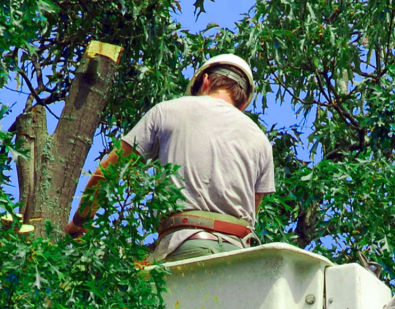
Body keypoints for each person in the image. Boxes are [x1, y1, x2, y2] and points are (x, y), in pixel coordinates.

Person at [63, 54, 275, 262]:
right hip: (240, 259)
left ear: (206, 81)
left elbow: (109, 172)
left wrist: (80, 221)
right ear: (244, 102)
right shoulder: (261, 141)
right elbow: (252, 209)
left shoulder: (167, 111)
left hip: (183, 244)